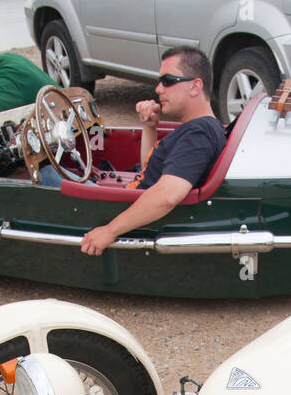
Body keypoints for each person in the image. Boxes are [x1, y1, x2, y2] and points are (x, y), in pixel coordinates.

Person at [80, 47, 225, 256]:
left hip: (127, 207)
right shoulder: (200, 127)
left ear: (195, 87)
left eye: (167, 81)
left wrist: (109, 231)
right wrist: (149, 126)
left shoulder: (198, 135)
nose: (158, 89)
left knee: (47, 174)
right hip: (134, 195)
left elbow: (167, 195)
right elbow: (150, 173)